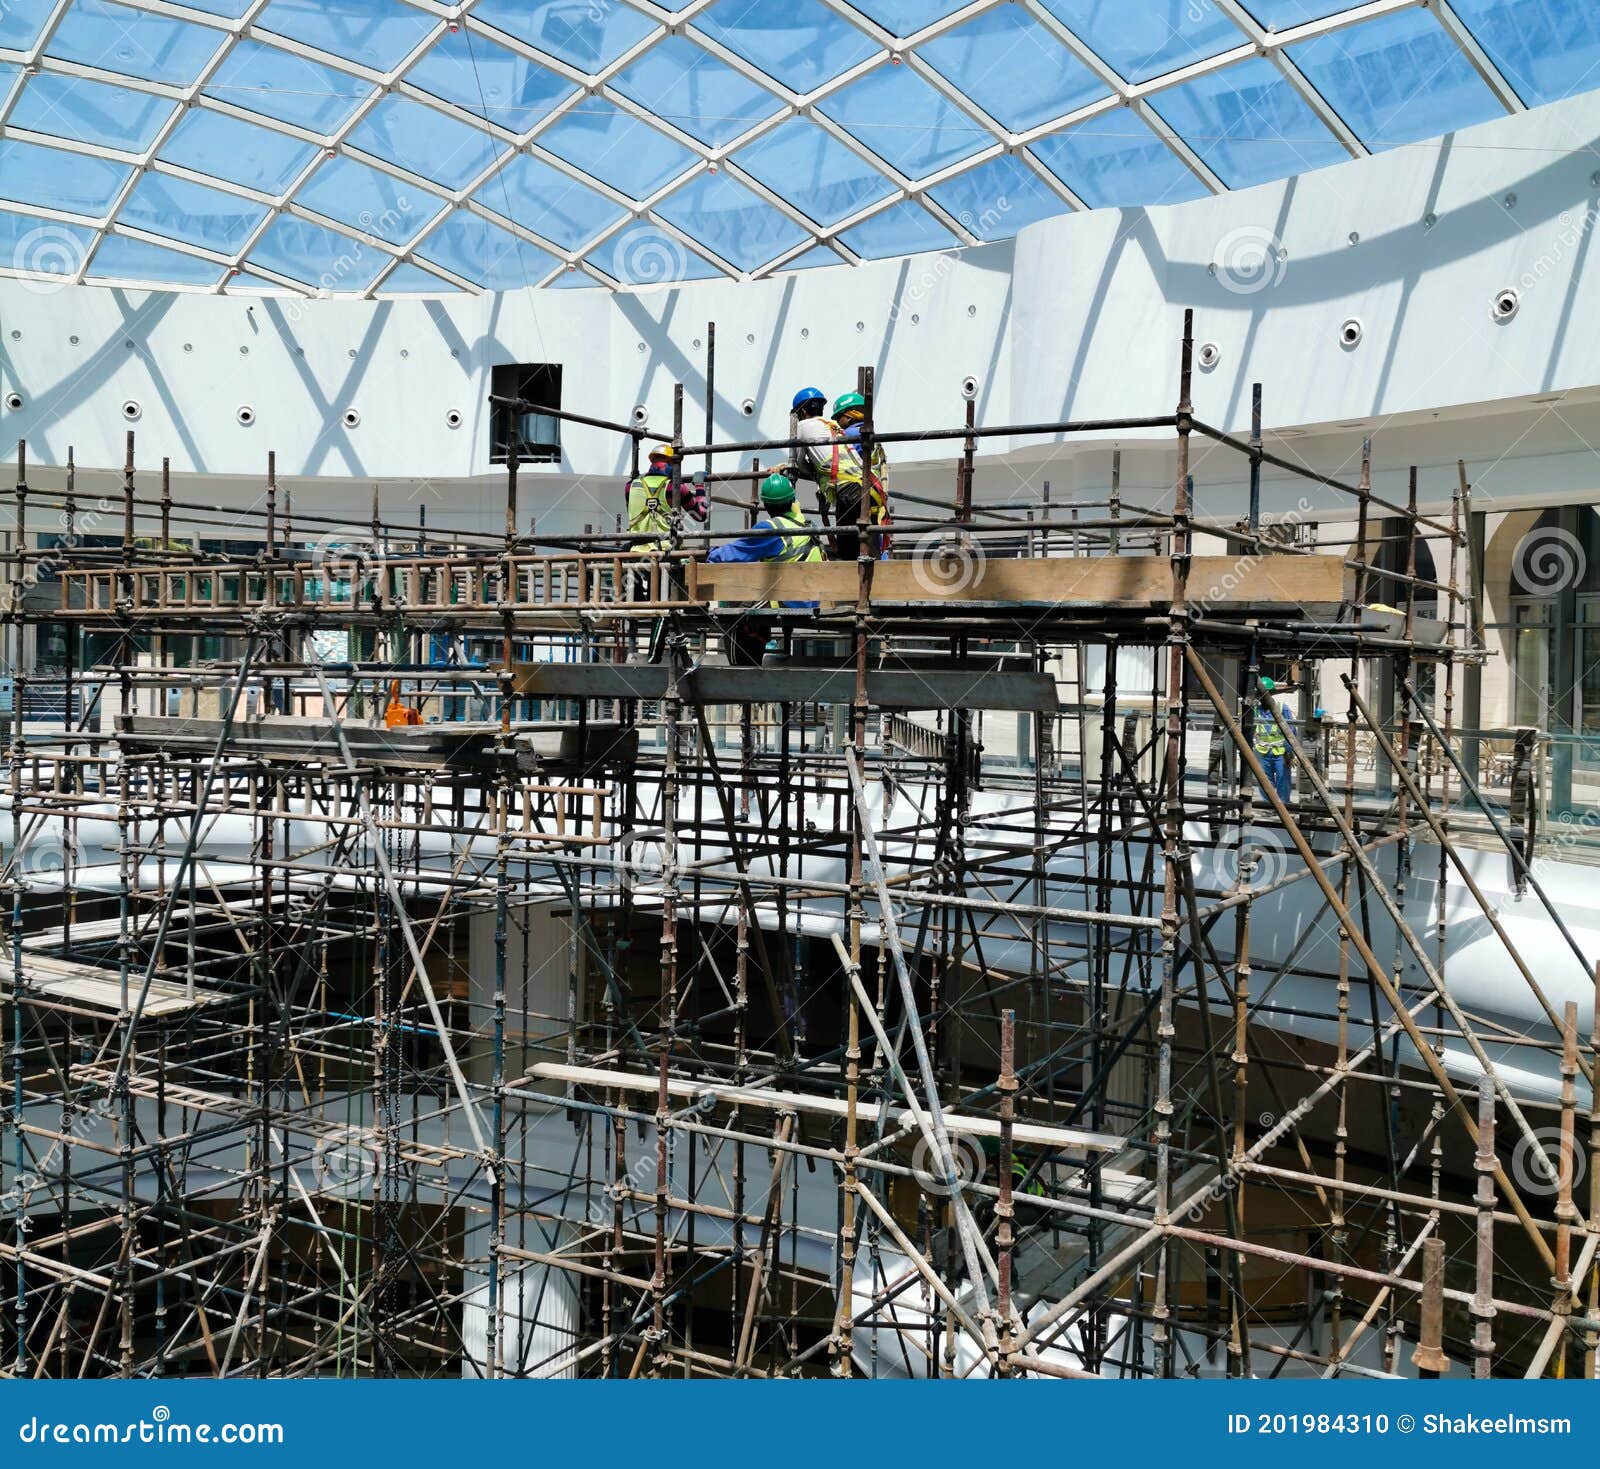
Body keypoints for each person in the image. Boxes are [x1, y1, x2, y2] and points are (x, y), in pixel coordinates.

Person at [706, 473, 822, 663]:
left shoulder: (771, 529)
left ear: (765, 505)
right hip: (811, 601)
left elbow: (734, 554)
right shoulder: (805, 523)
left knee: (733, 608)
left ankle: (743, 669)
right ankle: (759, 641)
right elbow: (792, 500)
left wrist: (710, 554)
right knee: (755, 602)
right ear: (792, 500)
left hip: (789, 603)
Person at [789, 386, 888, 561]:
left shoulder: (803, 426)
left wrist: (813, 472)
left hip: (848, 491)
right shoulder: (834, 427)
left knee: (848, 551)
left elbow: (798, 463)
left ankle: (855, 586)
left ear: (802, 411)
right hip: (869, 489)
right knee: (869, 548)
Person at [625, 444, 706, 555]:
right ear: (672, 463)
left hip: (635, 552)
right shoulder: (676, 487)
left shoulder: (630, 486)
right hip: (666, 553)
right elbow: (701, 515)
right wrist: (699, 486)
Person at [1253, 675, 1294, 803]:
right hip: (1262, 752)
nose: (1262, 697)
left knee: (1283, 780)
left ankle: (1284, 805)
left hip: (1280, 752)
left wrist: (1289, 751)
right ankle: (1268, 805)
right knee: (1265, 781)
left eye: (1265, 693)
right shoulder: (1255, 710)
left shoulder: (1282, 708)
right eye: (1260, 694)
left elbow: (1291, 731)